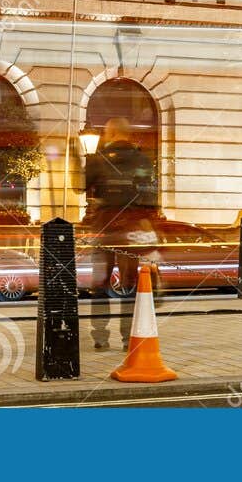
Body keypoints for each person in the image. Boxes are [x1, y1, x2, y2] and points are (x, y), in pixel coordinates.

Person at [83, 117, 158, 350]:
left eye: (106, 133)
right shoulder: (142, 159)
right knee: (130, 284)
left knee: (100, 284)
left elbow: (80, 185)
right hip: (130, 228)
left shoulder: (98, 159)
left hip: (104, 227)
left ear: (112, 133)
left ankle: (100, 337)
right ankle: (128, 337)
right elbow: (149, 196)